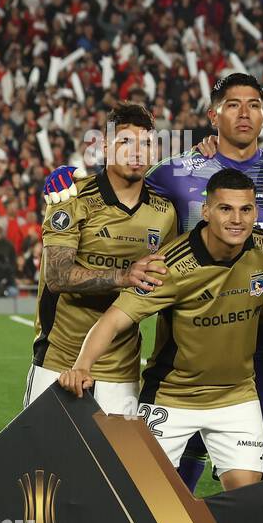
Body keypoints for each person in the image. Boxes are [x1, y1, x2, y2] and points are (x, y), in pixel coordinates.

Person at [45, 73, 263, 483]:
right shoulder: (176, 171)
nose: (244, 113)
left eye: (254, 104)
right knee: (161, 479)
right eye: (233, 105)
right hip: (187, 337)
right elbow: (121, 183)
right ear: (213, 115)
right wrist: (70, 178)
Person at [26, 103, 176, 416]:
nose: (136, 153)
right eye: (126, 143)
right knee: (46, 463)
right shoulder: (72, 197)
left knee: (114, 464)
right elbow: (57, 276)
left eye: (146, 144)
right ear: (106, 147)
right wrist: (124, 277)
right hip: (58, 360)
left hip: (121, 370)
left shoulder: (164, 212)